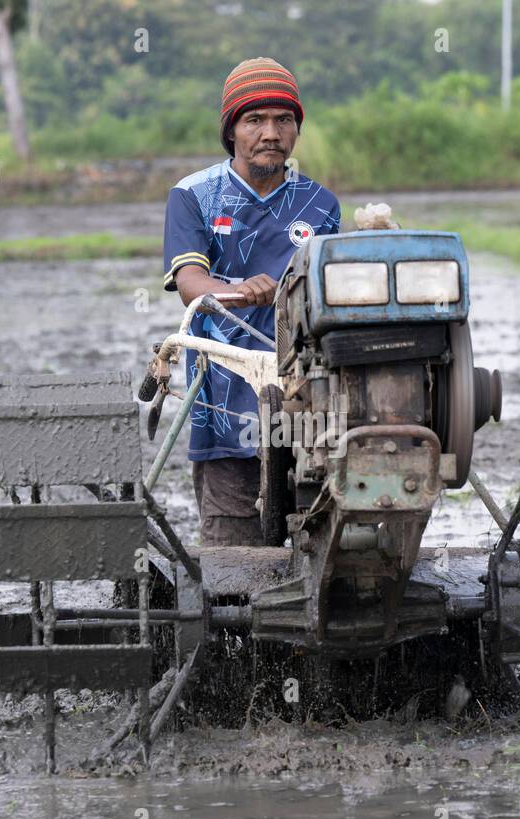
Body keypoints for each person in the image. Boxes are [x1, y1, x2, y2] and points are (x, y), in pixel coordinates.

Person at [162, 57, 340, 546]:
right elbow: (191, 284)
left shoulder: (320, 204)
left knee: (323, 543)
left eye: (283, 120)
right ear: (231, 131)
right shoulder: (193, 196)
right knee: (234, 570)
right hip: (226, 409)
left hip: (309, 413)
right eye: (254, 120)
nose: (270, 132)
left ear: (296, 131)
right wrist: (242, 291)